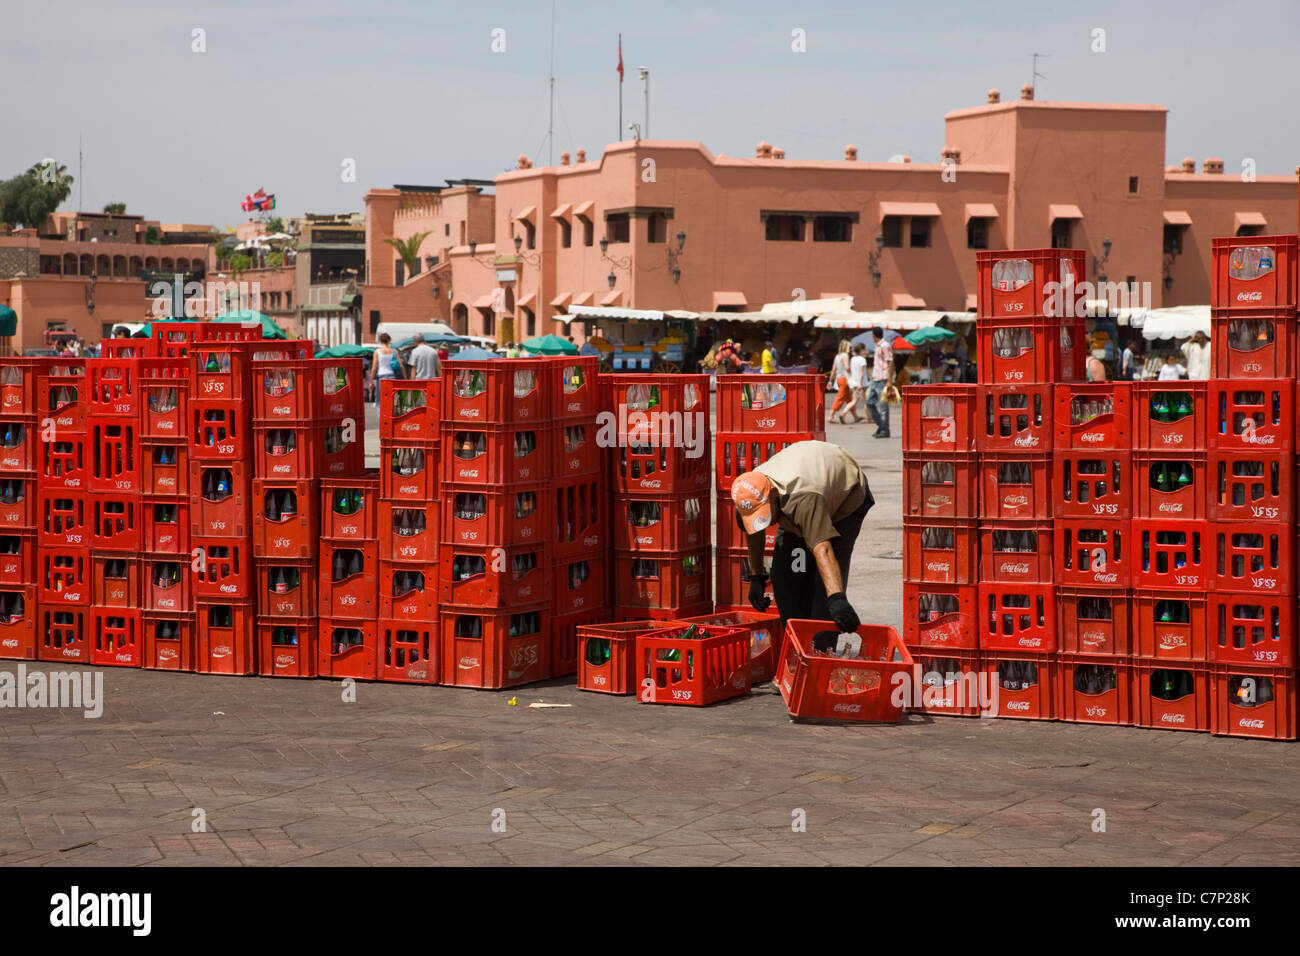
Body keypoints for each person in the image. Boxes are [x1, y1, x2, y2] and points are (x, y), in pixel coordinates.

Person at [731, 440, 874, 649]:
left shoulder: (803, 500)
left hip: (845, 497)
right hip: (802, 485)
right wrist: (757, 577)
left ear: (773, 494)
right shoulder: (748, 494)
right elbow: (754, 531)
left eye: (765, 515)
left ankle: (820, 652)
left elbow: (824, 549)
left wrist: (837, 598)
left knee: (824, 586)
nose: (765, 522)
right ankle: (796, 646)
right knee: (784, 575)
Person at [866, 327, 894, 438]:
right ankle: (882, 425)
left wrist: (889, 381)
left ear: (874, 335)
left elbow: (890, 363)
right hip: (875, 379)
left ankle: (885, 430)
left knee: (883, 407)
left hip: (882, 379)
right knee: (869, 403)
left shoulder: (885, 346)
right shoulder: (877, 346)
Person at [373, 333, 401, 413]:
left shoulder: (377, 351)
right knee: (391, 399)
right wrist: (405, 378)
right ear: (389, 340)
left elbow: (374, 367)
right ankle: (390, 416)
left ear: (380, 340)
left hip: (382, 377)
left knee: (379, 400)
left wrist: (371, 380)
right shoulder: (394, 351)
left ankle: (381, 417)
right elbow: (401, 365)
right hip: (392, 376)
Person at [828, 341, 853, 425]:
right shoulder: (845, 355)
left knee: (849, 399)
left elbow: (833, 370)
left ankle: (855, 416)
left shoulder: (837, 356)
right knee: (840, 398)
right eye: (849, 347)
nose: (850, 349)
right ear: (845, 347)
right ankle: (831, 416)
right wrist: (853, 372)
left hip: (838, 379)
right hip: (844, 379)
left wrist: (830, 381)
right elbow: (847, 367)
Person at [846, 343, 868, 423]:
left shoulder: (853, 359)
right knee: (866, 402)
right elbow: (861, 373)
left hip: (854, 383)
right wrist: (860, 384)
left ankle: (843, 413)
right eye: (864, 349)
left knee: (854, 401)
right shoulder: (862, 360)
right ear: (861, 350)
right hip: (862, 384)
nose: (866, 350)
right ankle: (869, 418)